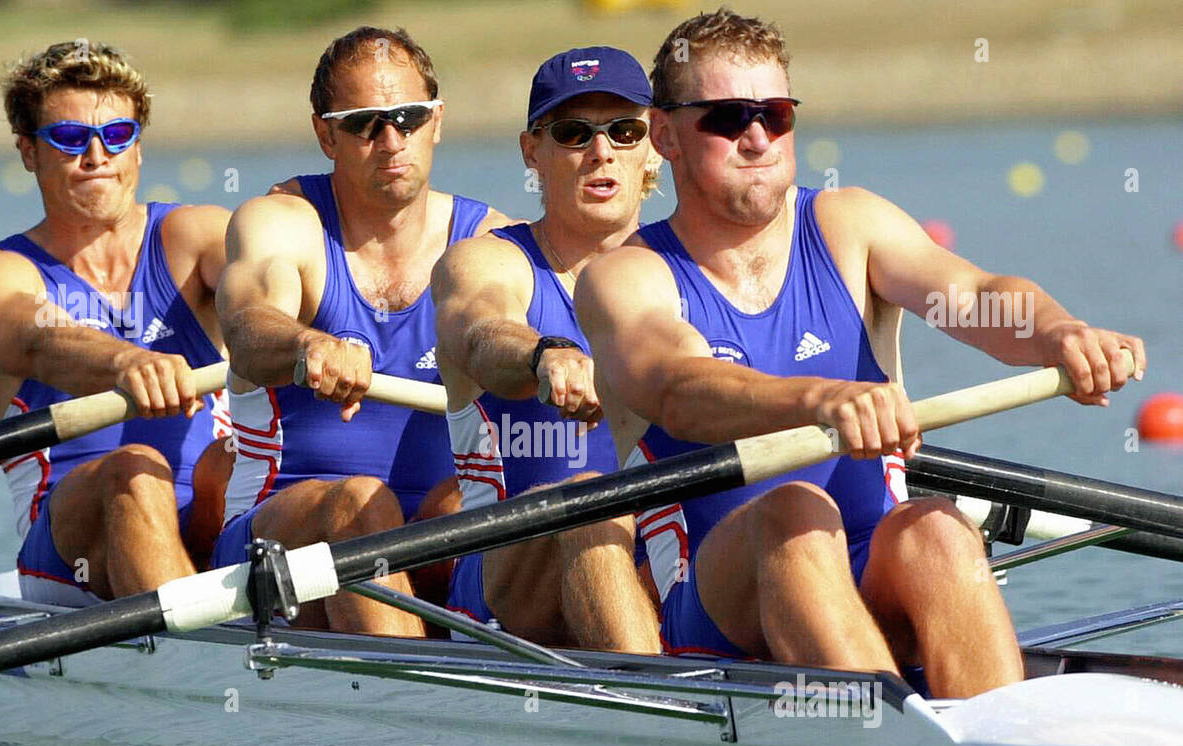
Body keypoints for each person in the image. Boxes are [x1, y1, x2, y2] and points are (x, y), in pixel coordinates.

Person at [575, 9, 1147, 697]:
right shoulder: (627, 275)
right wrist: (822, 400)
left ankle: (1001, 739)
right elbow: (675, 387)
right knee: (793, 510)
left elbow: (975, 296)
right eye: (726, 118)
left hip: (870, 570)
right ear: (665, 134)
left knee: (937, 525)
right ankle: (894, 742)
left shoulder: (848, 225)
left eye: (776, 114)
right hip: (716, 604)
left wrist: (1058, 333)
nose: (757, 137)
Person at [213, 26, 507, 636]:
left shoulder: (492, 242)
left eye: (408, 117)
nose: (392, 140)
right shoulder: (282, 223)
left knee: (473, 507)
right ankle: (412, 711)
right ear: (326, 133)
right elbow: (245, 325)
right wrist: (309, 344)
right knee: (359, 502)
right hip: (277, 542)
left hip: (433, 532)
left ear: (438, 121)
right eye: (364, 123)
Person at [0, 40, 232, 607]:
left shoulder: (195, 237)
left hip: (207, 519)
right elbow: (33, 337)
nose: (97, 155)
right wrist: (125, 362)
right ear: (28, 152)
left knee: (252, 467)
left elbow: (270, 294)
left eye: (118, 135)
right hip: (71, 555)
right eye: (70, 139)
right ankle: (200, 666)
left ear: (138, 149)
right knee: (135, 468)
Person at [433, 47, 661, 650]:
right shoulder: (486, 261)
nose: (601, 151)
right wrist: (546, 355)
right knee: (592, 502)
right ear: (532, 151)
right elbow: (481, 331)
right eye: (572, 133)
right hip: (508, 581)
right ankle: (657, 713)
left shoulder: (697, 269)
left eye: (624, 130)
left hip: (665, 550)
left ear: (654, 145)